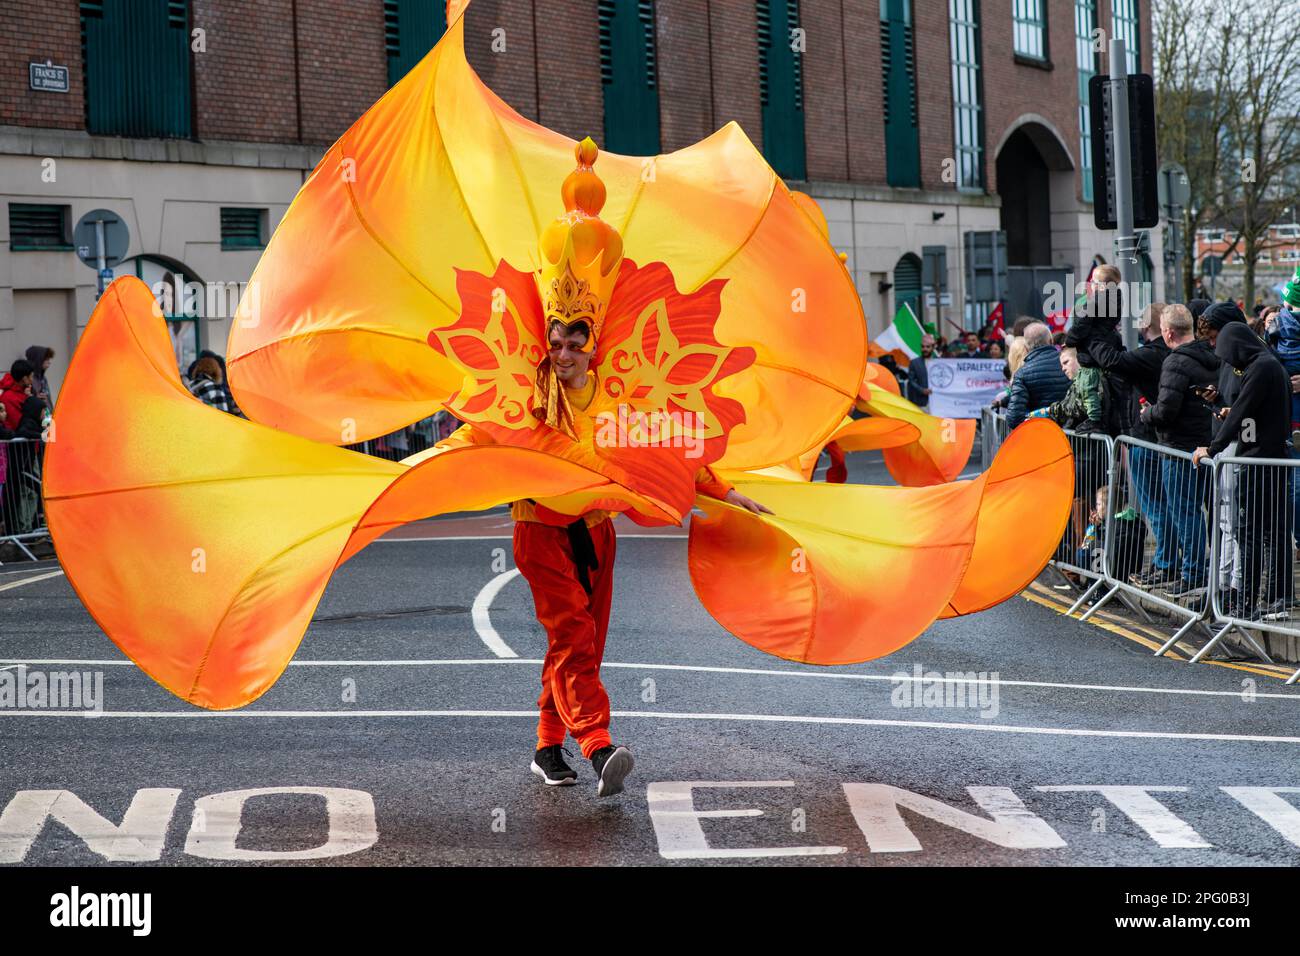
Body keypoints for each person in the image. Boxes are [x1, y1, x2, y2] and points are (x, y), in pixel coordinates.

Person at [436, 141, 772, 797]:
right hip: (539, 530)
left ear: (592, 341)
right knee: (573, 636)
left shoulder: (619, 396)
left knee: (577, 644)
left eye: (574, 339)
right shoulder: (523, 394)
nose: (562, 350)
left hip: (597, 533)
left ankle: (545, 748)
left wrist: (730, 492)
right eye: (555, 338)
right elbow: (476, 439)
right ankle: (596, 747)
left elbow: (671, 447)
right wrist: (411, 475)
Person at [1073, 301, 1176, 587]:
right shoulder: (1161, 353)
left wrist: (1091, 335)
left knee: (1156, 507)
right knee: (1165, 506)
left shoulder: (1151, 354)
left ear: (1146, 326)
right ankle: (1168, 563)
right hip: (1155, 439)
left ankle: (1166, 564)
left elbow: (1113, 360)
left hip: (1148, 439)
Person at [1193, 323, 1292, 619]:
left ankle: (1245, 605)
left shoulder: (1261, 368)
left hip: (1258, 462)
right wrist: (1229, 410)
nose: (1228, 362)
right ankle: (1262, 600)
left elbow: (1241, 411)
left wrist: (1211, 448)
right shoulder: (1268, 364)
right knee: (1267, 532)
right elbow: (1250, 412)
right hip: (1268, 458)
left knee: (1250, 534)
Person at [1141, 304, 1220, 596]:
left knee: (1185, 512)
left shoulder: (1175, 362)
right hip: (1208, 443)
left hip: (1179, 447)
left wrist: (1146, 414)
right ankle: (1204, 570)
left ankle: (1193, 573)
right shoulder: (1214, 355)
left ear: (1168, 332)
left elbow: (1166, 411)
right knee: (1206, 512)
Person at [1006, 322, 1069, 428]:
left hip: (1040, 437)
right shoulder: (1069, 363)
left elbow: (1014, 418)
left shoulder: (1022, 373)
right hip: (1072, 438)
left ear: (1026, 347)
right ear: (1051, 341)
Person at [0, 360, 35, 432]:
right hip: (16, 439)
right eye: (31, 376)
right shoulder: (8, 397)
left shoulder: (24, 392)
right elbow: (17, 423)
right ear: (25, 379)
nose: (32, 380)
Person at [905, 334, 935, 407]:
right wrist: (922, 390)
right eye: (923, 347)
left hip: (936, 402)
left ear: (933, 348)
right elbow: (911, 381)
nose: (925, 349)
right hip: (920, 402)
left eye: (928, 347)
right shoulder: (915, 363)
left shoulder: (939, 362)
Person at [23, 346, 55, 413]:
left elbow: (48, 400)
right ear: (38, 360)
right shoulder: (30, 380)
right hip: (40, 418)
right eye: (47, 359)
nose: (49, 362)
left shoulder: (43, 378)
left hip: (48, 416)